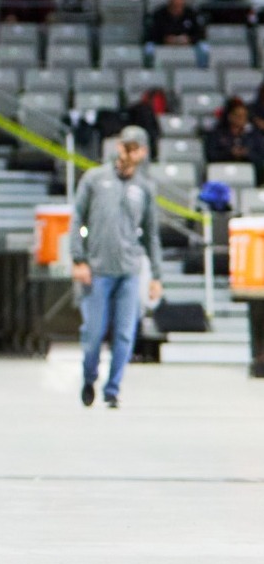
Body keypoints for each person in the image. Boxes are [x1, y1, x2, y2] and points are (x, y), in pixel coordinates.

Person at [70, 125, 162, 409]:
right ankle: (89, 376)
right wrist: (78, 258)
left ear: (143, 153)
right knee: (93, 333)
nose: (128, 153)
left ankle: (113, 388)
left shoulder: (144, 188)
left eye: (135, 148)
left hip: (129, 269)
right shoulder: (95, 179)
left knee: (124, 333)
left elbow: (151, 233)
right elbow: (77, 219)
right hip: (97, 269)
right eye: (125, 146)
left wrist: (156, 275)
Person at [144, 0, 209, 67]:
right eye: (174, 0)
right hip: (163, 42)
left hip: (188, 42)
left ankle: (202, 71)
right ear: (170, 0)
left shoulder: (191, 14)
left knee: (204, 47)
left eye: (179, 0)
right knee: (149, 48)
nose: (177, 3)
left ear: (183, 1)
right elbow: (152, 33)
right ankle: (149, 71)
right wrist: (164, 39)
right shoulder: (159, 14)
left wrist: (189, 39)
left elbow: (200, 33)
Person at [205, 98, 264, 174]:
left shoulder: (253, 136)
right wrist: (230, 153)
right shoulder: (216, 134)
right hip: (221, 171)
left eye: (244, 116)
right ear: (230, 116)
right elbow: (211, 155)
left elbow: (260, 157)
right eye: (239, 116)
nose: (242, 119)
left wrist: (246, 153)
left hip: (248, 171)